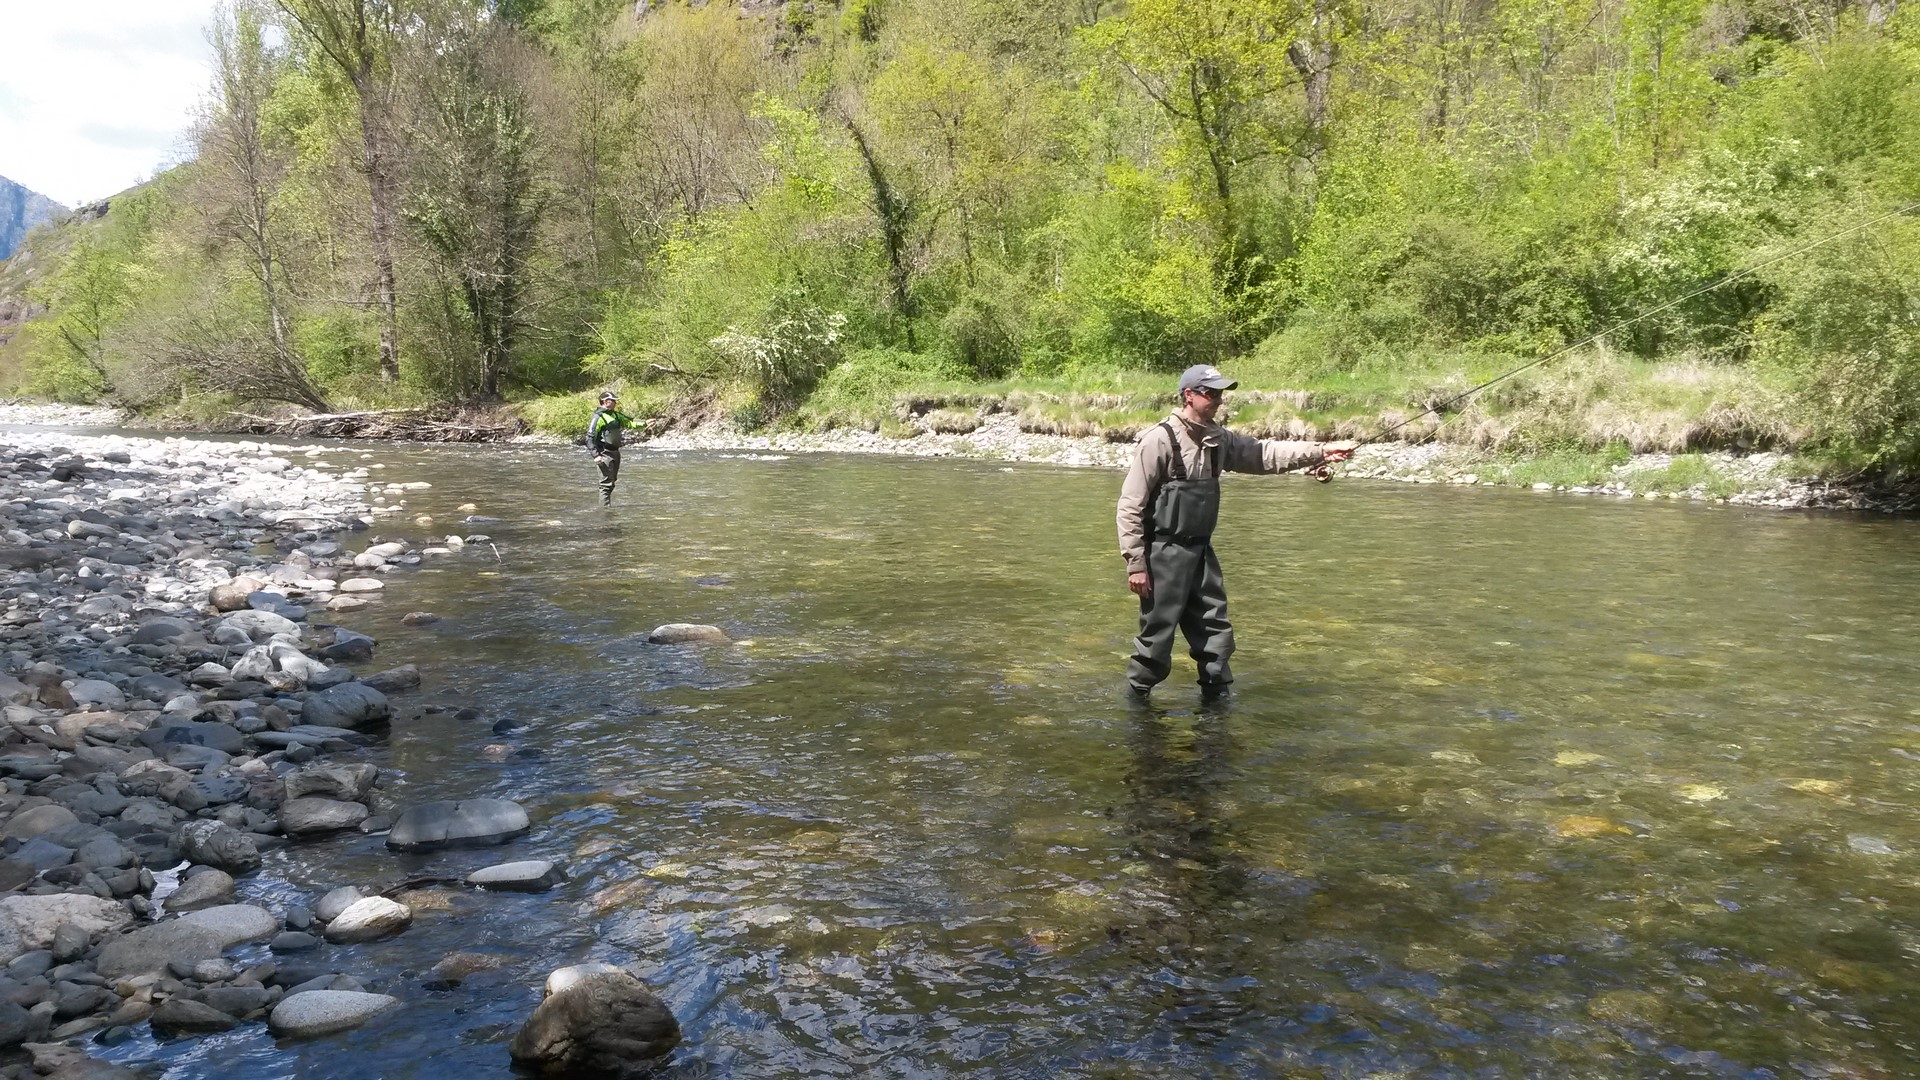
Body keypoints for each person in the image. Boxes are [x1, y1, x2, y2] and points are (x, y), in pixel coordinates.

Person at [1116, 364, 1355, 694]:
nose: (1218, 400)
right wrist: (1136, 565)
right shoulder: (1158, 440)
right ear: (1189, 395)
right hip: (1163, 555)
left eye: (1221, 393)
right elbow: (1130, 506)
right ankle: (1137, 705)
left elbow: (1263, 454)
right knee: (1156, 640)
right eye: (1211, 393)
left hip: (1202, 554)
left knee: (1215, 633)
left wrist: (1320, 452)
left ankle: (1217, 705)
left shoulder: (1218, 439)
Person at [586, 391, 647, 507]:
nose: (615, 403)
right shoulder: (598, 417)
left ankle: (607, 509)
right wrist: (596, 455)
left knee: (612, 482)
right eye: (613, 400)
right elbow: (589, 438)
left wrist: (644, 423)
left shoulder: (616, 415)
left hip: (615, 452)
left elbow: (630, 422)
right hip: (604, 453)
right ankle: (605, 512)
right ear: (605, 401)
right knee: (605, 485)